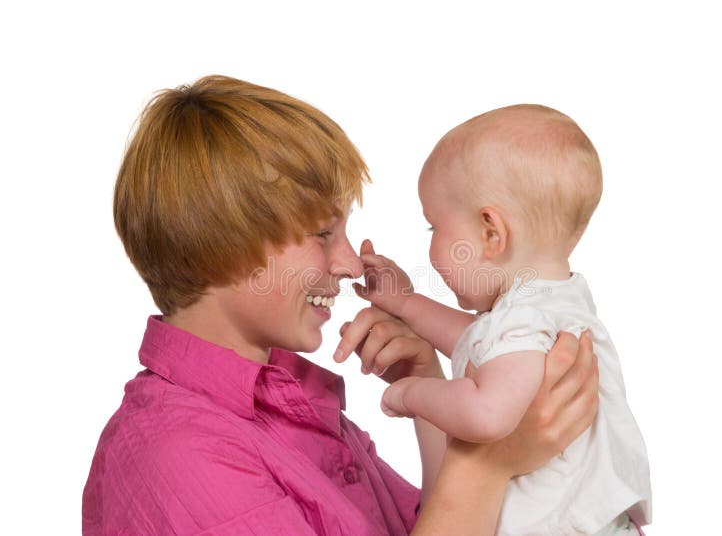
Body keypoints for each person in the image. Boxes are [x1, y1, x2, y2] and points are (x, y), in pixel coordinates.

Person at [82, 77, 599, 535]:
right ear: (222, 244)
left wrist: (431, 383)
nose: (352, 264)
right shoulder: (179, 458)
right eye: (324, 233)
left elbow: (455, 523)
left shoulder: (297, 413)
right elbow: (471, 501)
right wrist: (487, 461)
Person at [347, 105, 651, 535]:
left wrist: (412, 394)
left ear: (491, 234)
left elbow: (487, 413)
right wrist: (405, 303)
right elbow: (477, 342)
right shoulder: (555, 303)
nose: (432, 249)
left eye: (435, 229)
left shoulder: (525, 321)